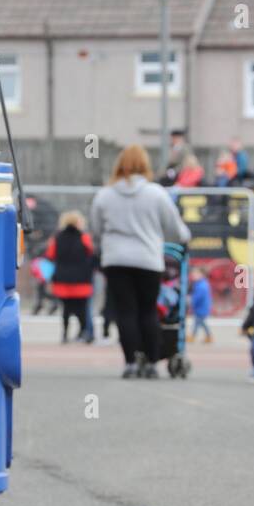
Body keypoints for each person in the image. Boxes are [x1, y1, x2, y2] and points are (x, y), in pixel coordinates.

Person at [89, 144, 191, 378]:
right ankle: (152, 361)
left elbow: (96, 231)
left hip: (115, 260)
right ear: (145, 165)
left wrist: (103, 245)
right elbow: (175, 230)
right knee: (148, 311)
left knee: (125, 311)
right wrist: (183, 238)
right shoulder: (156, 194)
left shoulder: (105, 195)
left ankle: (130, 362)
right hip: (147, 259)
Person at [45, 211, 95, 343]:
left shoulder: (56, 238)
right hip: (82, 280)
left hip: (63, 280)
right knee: (82, 309)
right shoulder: (84, 237)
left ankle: (65, 335)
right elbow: (91, 253)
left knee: (66, 309)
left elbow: (50, 255)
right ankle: (85, 334)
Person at [188, 266, 213, 343]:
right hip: (201, 307)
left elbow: (197, 297)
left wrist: (191, 302)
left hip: (201, 308)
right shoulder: (200, 284)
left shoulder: (201, 285)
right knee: (200, 323)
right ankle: (208, 336)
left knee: (198, 323)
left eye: (195, 274)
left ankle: (193, 336)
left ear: (202, 274)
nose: (193, 275)